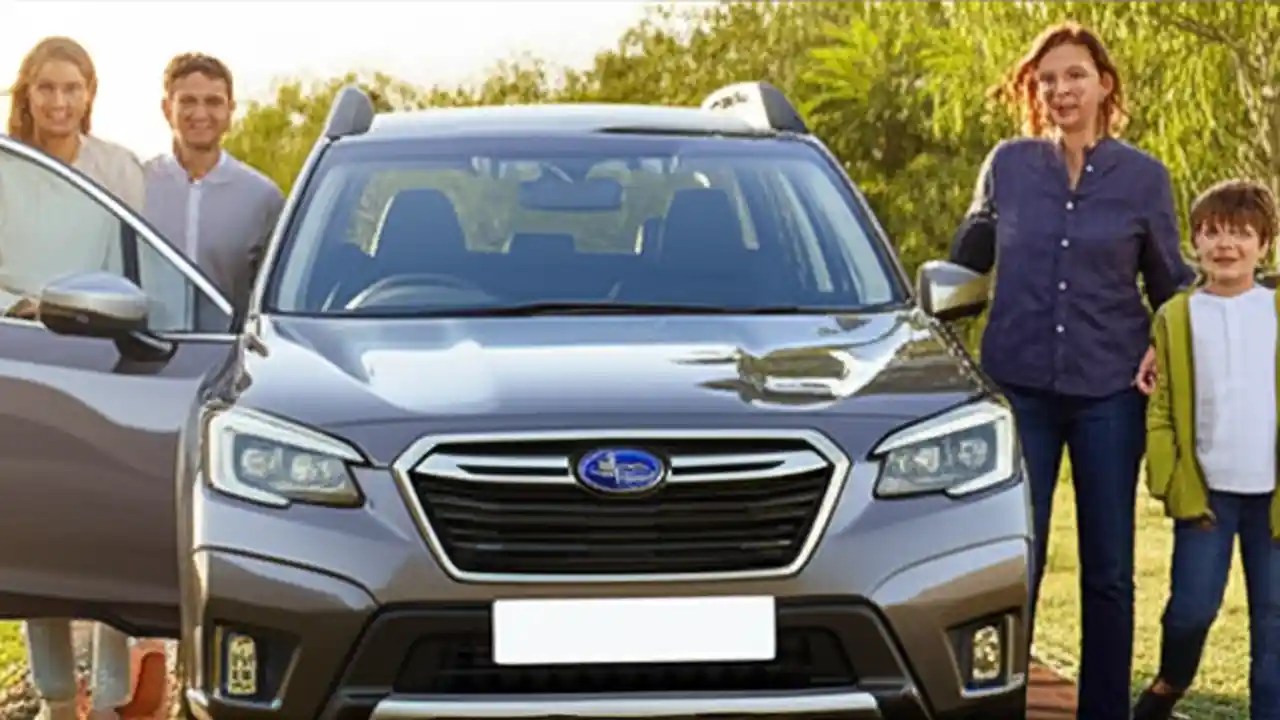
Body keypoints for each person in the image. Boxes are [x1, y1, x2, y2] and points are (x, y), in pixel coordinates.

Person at [947, 21, 1195, 719]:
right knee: (1011, 564)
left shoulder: (1145, 178)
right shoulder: (1009, 164)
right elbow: (969, 254)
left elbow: (1169, 283)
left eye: (1074, 75)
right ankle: (998, 703)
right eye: (1048, 78)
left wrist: (1162, 342)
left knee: (1111, 572)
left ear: (1103, 84)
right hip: (1018, 387)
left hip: (1110, 393)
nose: (1061, 89)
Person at [2, 36, 145, 720]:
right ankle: (58, 698)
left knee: (107, 523)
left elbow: (135, 260)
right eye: (46, 89)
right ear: (26, 95)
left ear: (90, 95)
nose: (59, 102)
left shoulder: (118, 167)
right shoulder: (4, 169)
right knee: (38, 525)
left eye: (72, 89)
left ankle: (116, 699)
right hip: (20, 353)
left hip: (101, 351)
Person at [1134, 179, 1280, 720]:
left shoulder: (1276, 308)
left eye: (1241, 234)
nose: (1226, 246)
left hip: (1273, 502)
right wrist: (1170, 480)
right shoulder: (1177, 316)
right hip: (1207, 498)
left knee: (1274, 622)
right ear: (1194, 241)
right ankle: (1171, 683)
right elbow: (1164, 407)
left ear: (1264, 245)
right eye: (1212, 233)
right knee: (1191, 611)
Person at [143, 52, 285, 318]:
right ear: (166, 108)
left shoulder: (263, 198)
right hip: (147, 349)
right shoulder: (138, 184)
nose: (200, 113)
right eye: (188, 101)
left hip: (227, 351)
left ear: (230, 110)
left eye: (213, 102)